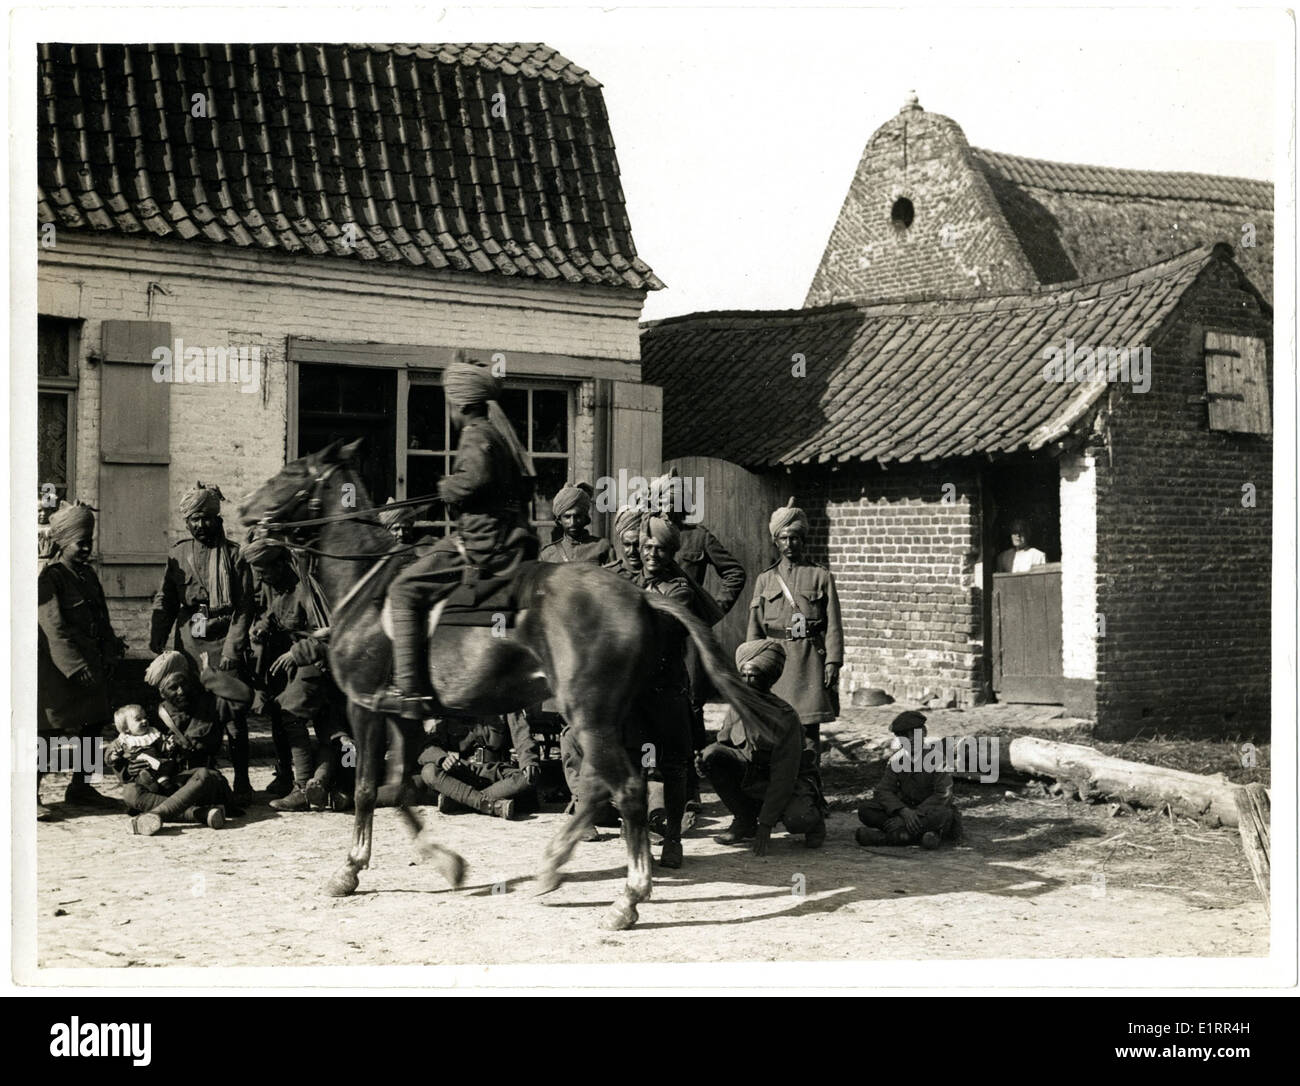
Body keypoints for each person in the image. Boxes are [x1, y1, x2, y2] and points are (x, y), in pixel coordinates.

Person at [384, 361, 537, 714]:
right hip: (506, 534)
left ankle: (408, 691)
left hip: (482, 542)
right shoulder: (497, 434)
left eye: (450, 403)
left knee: (403, 589)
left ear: (460, 404)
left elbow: (474, 480)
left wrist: (446, 487)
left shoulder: (476, 434)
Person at [149, 482, 257, 804]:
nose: (201, 525)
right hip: (189, 647)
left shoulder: (236, 556)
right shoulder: (178, 555)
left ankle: (242, 781)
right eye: (194, 519)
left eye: (207, 518)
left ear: (218, 518)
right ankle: (197, 777)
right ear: (186, 522)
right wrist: (157, 640)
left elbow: (244, 608)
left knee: (233, 717)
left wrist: (231, 651)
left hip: (224, 644)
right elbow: (166, 599)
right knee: (194, 713)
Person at [648, 469, 745, 823]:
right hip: (652, 635)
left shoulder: (699, 537)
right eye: (663, 498)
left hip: (688, 639)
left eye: (674, 499)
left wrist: (712, 611)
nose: (668, 506)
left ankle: (691, 792)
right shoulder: (649, 536)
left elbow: (734, 572)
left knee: (688, 707)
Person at [37, 500, 126, 817]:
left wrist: (111, 651)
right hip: (59, 670)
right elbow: (53, 628)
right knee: (50, 730)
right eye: (81, 543)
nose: (87, 549)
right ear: (62, 543)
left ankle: (82, 786)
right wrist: (75, 668)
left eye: (90, 542)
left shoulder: (87, 575)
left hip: (93, 665)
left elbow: (101, 619)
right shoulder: (51, 578)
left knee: (93, 724)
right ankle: (29, 794)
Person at [699, 640, 827, 853]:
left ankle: (815, 822)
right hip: (752, 777)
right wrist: (703, 761)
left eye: (754, 676)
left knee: (798, 820)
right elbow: (723, 745)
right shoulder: (738, 707)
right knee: (712, 755)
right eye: (744, 675)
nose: (747, 682)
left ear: (769, 678)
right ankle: (745, 820)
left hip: (786, 782)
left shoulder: (785, 717)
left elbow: (783, 776)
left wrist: (766, 826)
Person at [242, 535, 336, 811]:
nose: (261, 579)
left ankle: (302, 787)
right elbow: (274, 615)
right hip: (293, 666)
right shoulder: (278, 589)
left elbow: (330, 633)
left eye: (264, 572)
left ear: (280, 564)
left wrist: (295, 653)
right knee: (280, 711)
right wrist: (260, 628)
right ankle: (289, 777)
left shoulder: (306, 589)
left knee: (291, 714)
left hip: (318, 664)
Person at [625, 514, 698, 869]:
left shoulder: (679, 590)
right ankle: (638, 843)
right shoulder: (628, 582)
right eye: (647, 546)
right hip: (634, 694)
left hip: (667, 691)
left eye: (661, 548)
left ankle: (673, 839)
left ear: (671, 553)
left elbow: (661, 627)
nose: (652, 554)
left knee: (672, 767)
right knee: (635, 767)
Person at [747, 498, 844, 752]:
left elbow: (833, 623)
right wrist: (750, 662)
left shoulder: (821, 576)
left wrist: (833, 661)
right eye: (784, 538)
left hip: (809, 658)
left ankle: (810, 786)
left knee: (808, 728)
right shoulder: (765, 580)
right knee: (774, 726)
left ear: (804, 540)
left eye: (796, 538)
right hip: (775, 660)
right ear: (775, 541)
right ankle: (780, 784)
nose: (790, 544)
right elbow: (755, 627)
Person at [106, 700, 235, 836]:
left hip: (191, 786)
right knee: (130, 792)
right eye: (139, 719)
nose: (180, 693)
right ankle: (201, 813)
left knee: (204, 774)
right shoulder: (128, 738)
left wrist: (174, 747)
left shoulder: (207, 709)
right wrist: (130, 769)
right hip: (160, 788)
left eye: (145, 718)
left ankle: (157, 814)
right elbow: (114, 758)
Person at [378, 714, 539, 818]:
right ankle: (488, 805)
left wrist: (528, 760)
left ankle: (459, 801)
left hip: (493, 773)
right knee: (429, 771)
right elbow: (427, 745)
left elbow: (522, 734)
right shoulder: (452, 705)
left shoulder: (506, 702)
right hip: (462, 771)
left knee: (527, 778)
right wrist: (442, 758)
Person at [855, 711, 957, 849]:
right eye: (905, 736)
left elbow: (943, 794)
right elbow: (883, 790)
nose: (911, 739)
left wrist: (914, 815)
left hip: (928, 811)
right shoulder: (896, 760)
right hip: (905, 809)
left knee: (945, 814)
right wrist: (903, 812)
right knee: (865, 809)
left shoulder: (938, 759)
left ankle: (885, 838)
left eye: (915, 734)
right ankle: (922, 836)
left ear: (924, 733)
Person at [539, 483, 614, 564]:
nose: (573, 522)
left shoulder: (602, 547)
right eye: (567, 517)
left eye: (577, 516)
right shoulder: (547, 554)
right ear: (559, 520)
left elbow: (612, 576)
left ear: (585, 518)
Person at [603, 505, 644, 581]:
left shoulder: (660, 575)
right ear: (621, 543)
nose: (632, 551)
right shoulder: (607, 574)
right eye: (627, 544)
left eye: (637, 544)